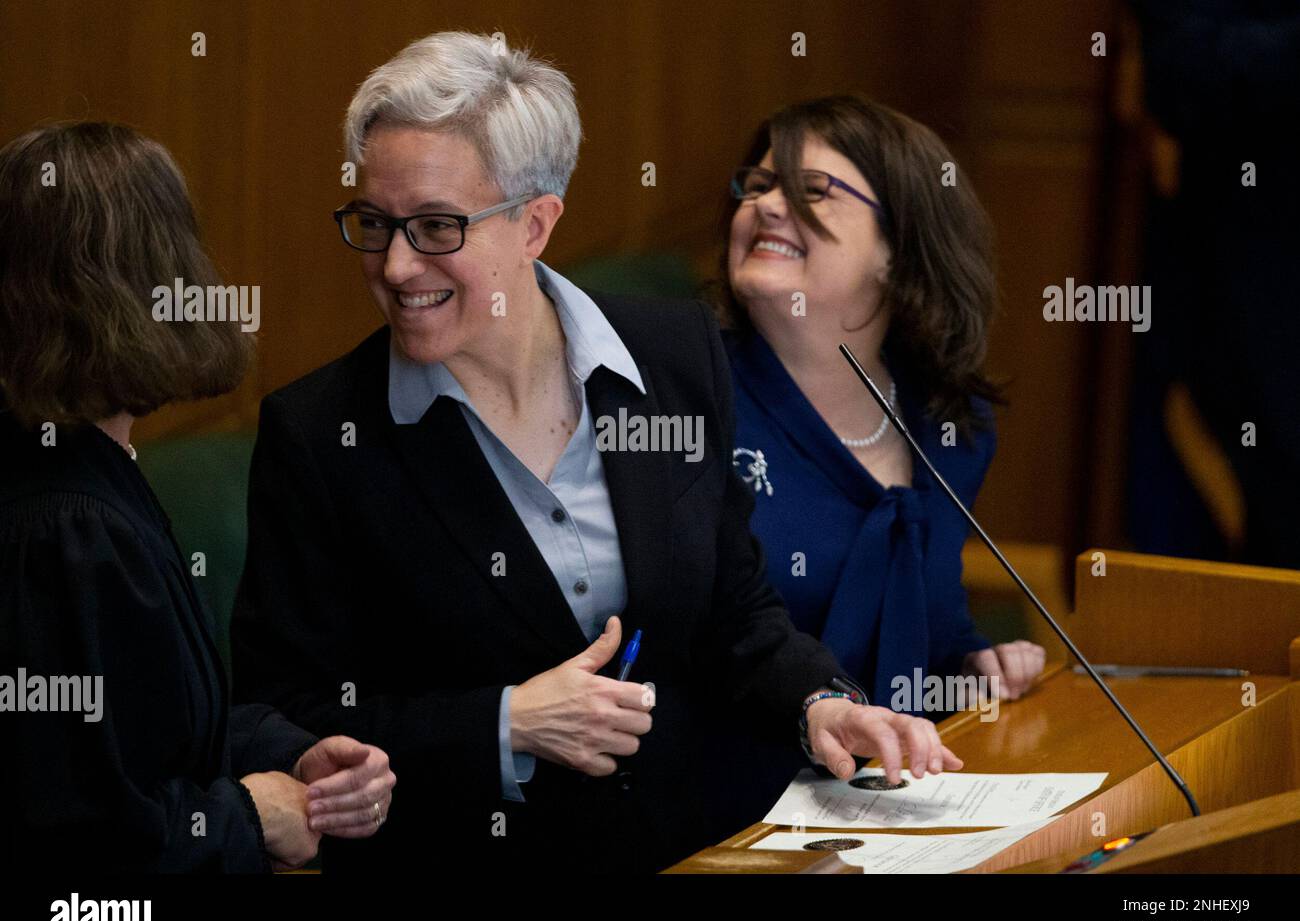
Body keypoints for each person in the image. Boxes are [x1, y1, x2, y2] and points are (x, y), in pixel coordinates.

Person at [231, 32, 962, 874]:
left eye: (435, 227)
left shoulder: (675, 355)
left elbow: (736, 606)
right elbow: (282, 710)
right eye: (374, 224)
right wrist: (505, 723)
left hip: (702, 848)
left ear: (535, 224)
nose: (395, 265)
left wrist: (819, 701)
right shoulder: (321, 434)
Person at [0, 122, 394, 871]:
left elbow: (153, 732)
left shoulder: (87, 471)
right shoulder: (67, 529)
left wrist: (290, 754)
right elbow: (81, 865)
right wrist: (248, 816)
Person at [705, 95, 1046, 825]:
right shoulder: (688, 393)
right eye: (758, 185)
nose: (767, 206)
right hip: (720, 814)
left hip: (886, 810)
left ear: (898, 250)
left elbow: (925, 614)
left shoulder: (951, 425)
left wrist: (972, 663)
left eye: (811, 192)